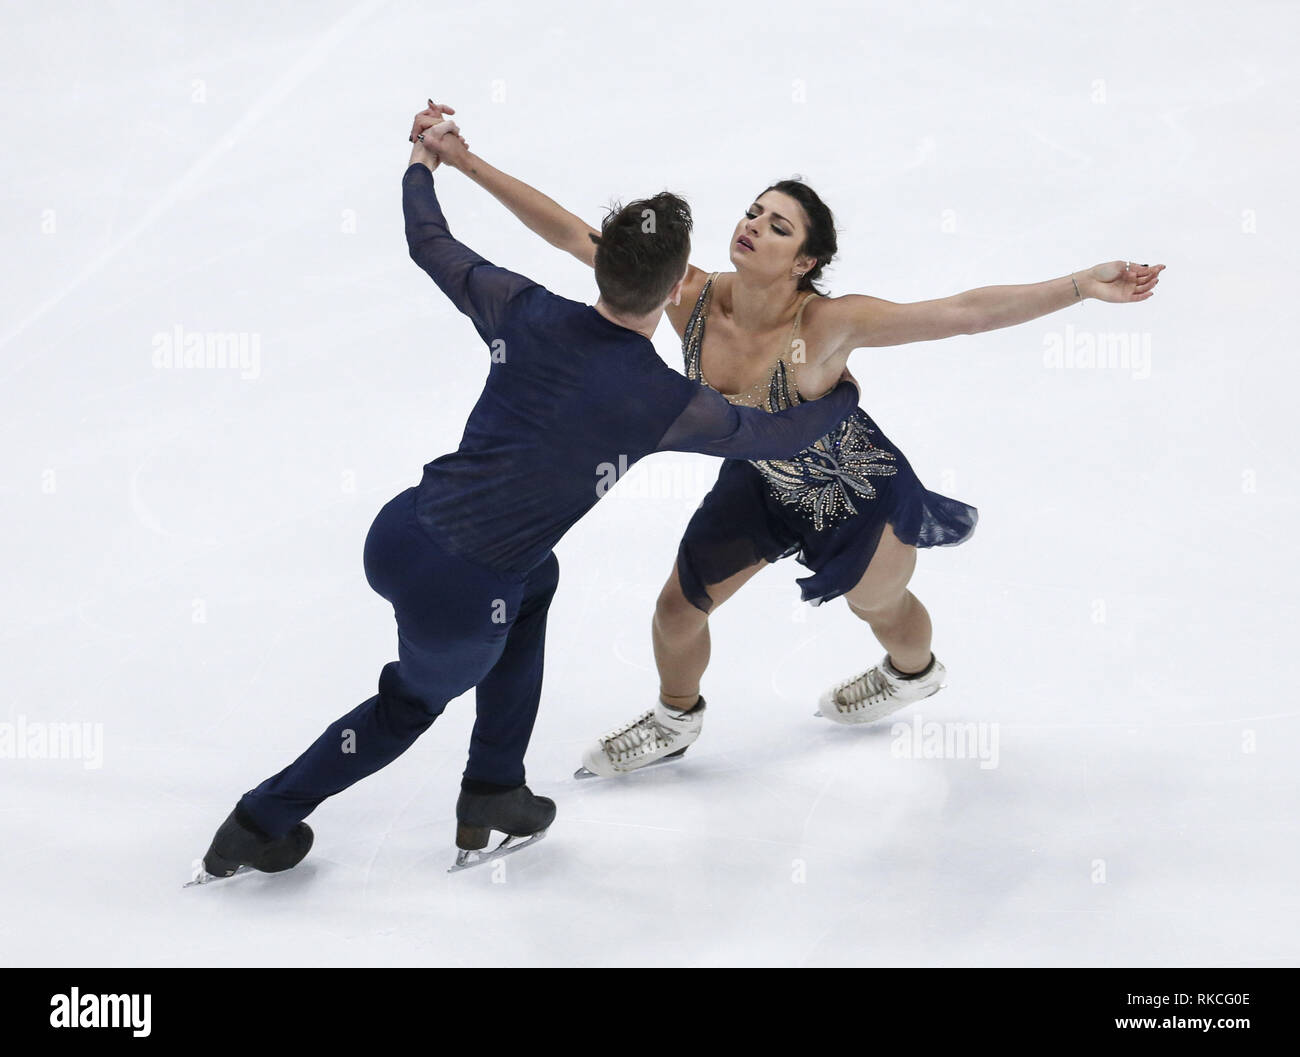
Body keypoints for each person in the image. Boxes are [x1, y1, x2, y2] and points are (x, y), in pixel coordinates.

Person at [192, 106, 864, 880]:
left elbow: (428, 242)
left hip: (400, 532)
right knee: (408, 703)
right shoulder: (662, 399)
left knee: (535, 577)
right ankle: (259, 820)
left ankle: (495, 787)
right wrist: (840, 395)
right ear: (681, 284)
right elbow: (771, 437)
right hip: (459, 595)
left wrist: (423, 163)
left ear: (600, 263)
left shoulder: (521, 306)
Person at [412, 103, 1166, 778]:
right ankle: (676, 720)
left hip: (858, 496)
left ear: (805, 261)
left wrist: (1079, 285)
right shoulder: (693, 296)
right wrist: (465, 161)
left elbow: (963, 312)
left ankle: (914, 672)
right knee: (677, 610)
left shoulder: (830, 324)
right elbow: (583, 239)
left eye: (779, 226)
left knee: (882, 609)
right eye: (753, 212)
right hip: (758, 484)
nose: (754, 226)